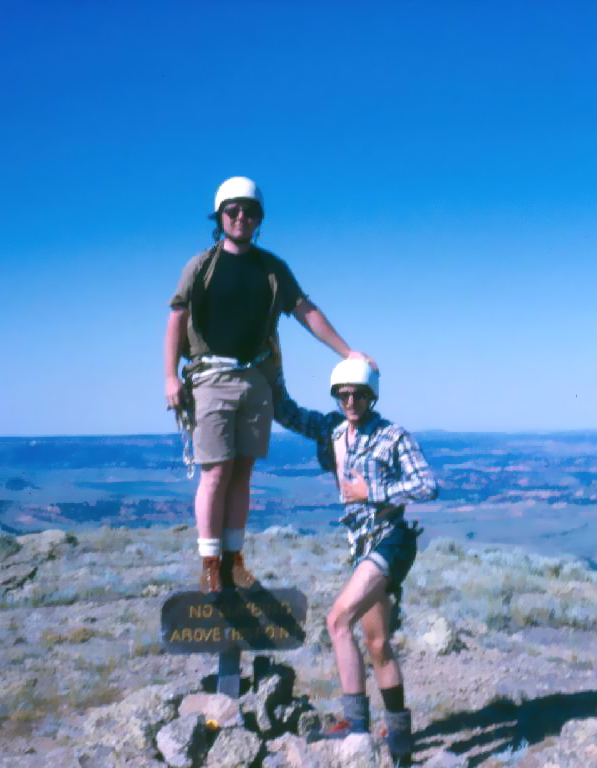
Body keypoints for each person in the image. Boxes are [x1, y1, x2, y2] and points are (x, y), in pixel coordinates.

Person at [164, 176, 374, 594]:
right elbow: (177, 318)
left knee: (242, 473)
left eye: (249, 211)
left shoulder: (271, 269)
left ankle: (234, 560)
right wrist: (170, 375)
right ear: (220, 217)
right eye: (233, 210)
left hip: (257, 379)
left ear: (258, 219)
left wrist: (348, 353)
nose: (241, 217)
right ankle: (210, 566)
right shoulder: (200, 267)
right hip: (211, 378)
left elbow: (306, 311)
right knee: (215, 472)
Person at [273, 359, 438, 767]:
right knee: (378, 644)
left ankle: (356, 726)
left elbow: (427, 485)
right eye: (342, 393)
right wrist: (270, 361)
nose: (350, 400)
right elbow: (286, 411)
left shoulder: (392, 436)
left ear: (372, 396)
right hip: (361, 546)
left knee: (337, 621)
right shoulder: (331, 431)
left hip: (391, 539)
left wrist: (373, 489)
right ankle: (400, 746)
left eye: (358, 394)